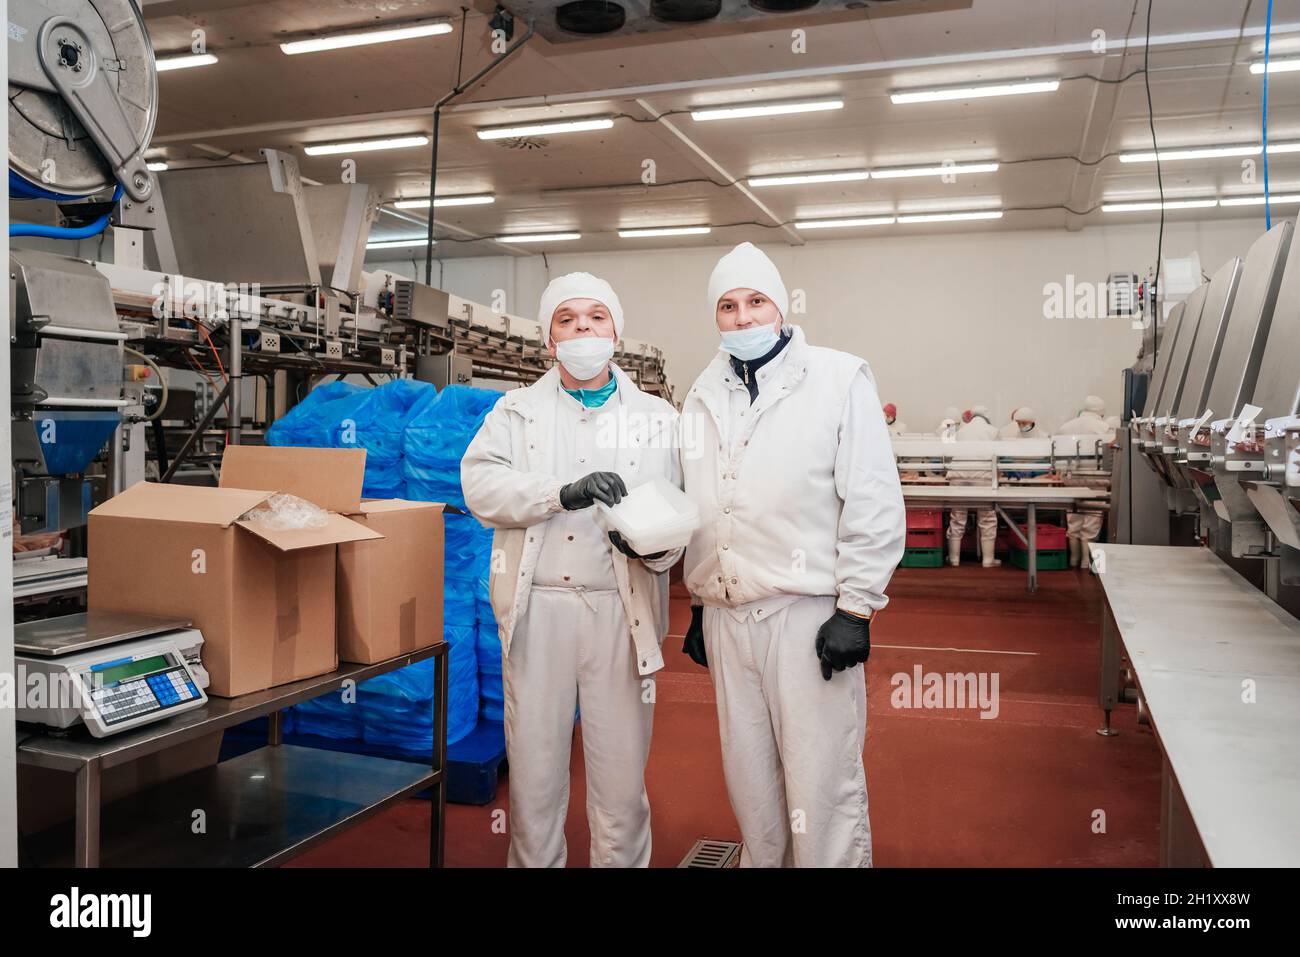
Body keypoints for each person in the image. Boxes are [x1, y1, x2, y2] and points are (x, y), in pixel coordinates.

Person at [677, 242, 905, 868]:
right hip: (728, 616)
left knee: (820, 778)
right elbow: (701, 501)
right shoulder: (702, 394)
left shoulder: (838, 377)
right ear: (715, 317)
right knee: (748, 775)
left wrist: (856, 609)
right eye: (728, 305)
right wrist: (699, 602)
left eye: (756, 301)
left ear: (780, 306)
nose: (743, 316)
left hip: (807, 617)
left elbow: (873, 499)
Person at [461, 272, 682, 867]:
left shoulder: (658, 418)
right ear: (550, 341)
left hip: (620, 610)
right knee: (534, 777)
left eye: (596, 317)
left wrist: (654, 550)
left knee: (620, 780)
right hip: (538, 611)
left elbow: (680, 509)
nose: (583, 328)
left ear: (616, 332)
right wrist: (560, 491)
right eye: (567, 319)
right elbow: (479, 486)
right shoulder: (516, 412)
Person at [1056, 395, 1115, 570]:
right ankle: (1087, 564)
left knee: (1073, 520)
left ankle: (1073, 560)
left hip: (1071, 478)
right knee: (1092, 521)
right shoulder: (1105, 427)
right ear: (1101, 412)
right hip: (1097, 479)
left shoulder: (1065, 427)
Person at [946, 405, 1001, 567]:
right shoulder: (993, 431)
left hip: (958, 475)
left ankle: (954, 559)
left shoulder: (961, 431)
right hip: (983, 476)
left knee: (957, 516)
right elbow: (1000, 455)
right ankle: (988, 560)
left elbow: (949, 453)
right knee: (987, 517)